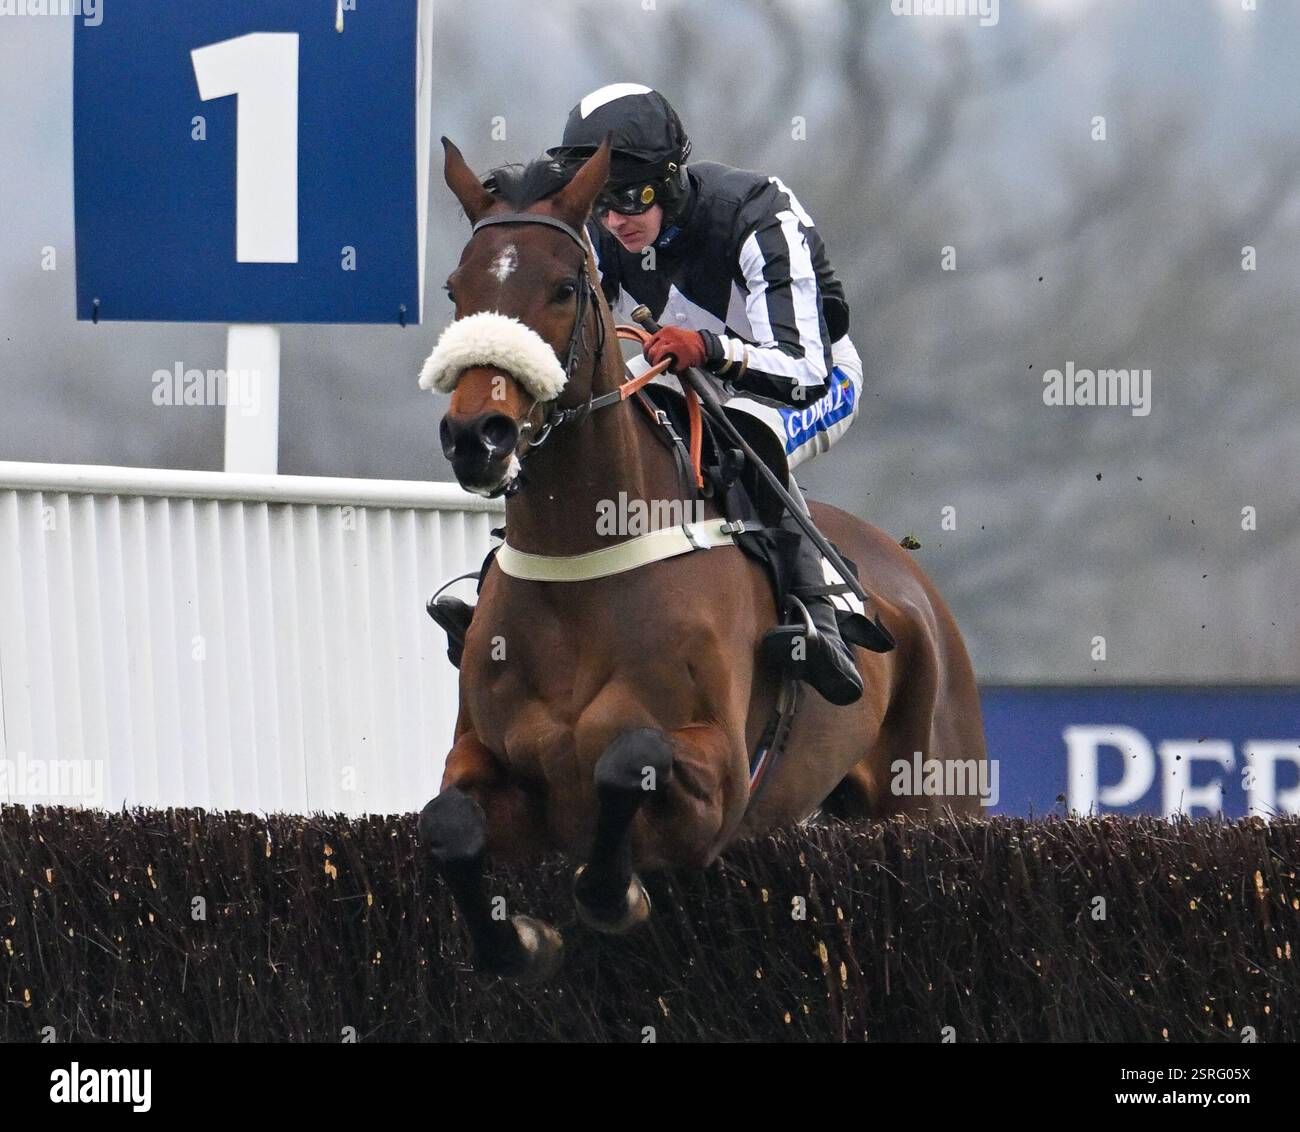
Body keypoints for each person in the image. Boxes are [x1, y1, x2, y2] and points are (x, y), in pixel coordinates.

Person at [430, 83, 893, 706]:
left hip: (805, 380)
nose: (616, 222)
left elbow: (804, 368)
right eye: (604, 203)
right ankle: (500, 582)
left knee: (747, 432)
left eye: (631, 199)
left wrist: (709, 348)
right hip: (679, 373)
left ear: (670, 181)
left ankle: (817, 611)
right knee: (576, 425)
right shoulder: (601, 234)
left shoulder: (760, 216)